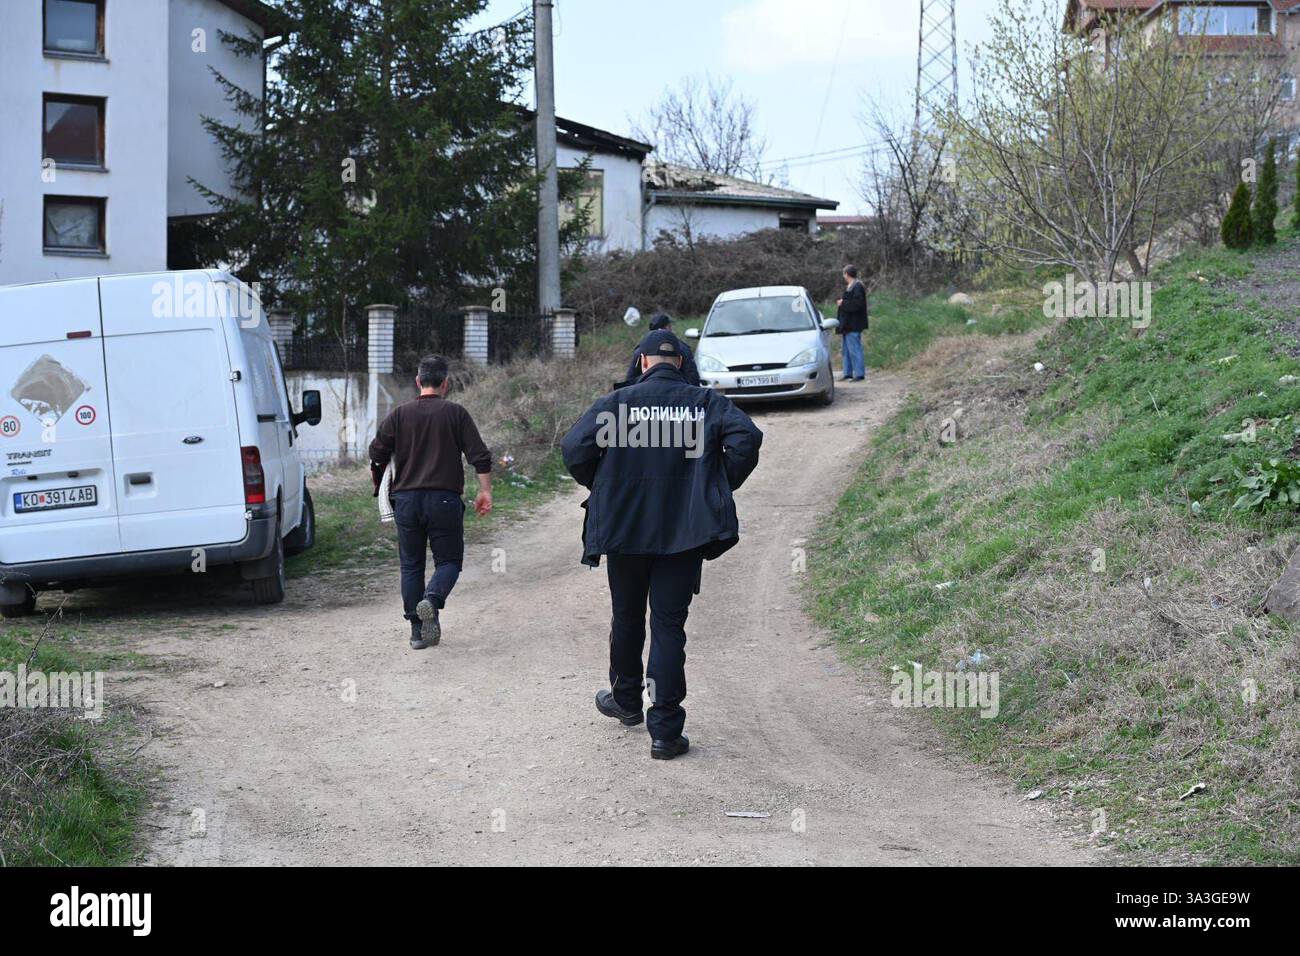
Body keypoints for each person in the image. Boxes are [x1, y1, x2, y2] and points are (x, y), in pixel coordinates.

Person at [561, 329, 762, 759]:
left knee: (627, 617)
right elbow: (747, 439)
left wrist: (605, 483)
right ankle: (665, 732)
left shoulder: (615, 405)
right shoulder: (705, 404)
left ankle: (628, 701)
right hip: (683, 535)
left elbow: (574, 449)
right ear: (681, 365)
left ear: (643, 363)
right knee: (668, 626)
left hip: (625, 534)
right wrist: (716, 486)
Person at [368, 355, 492, 650]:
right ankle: (432, 600)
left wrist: (381, 484)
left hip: (407, 501)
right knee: (449, 561)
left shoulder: (399, 415)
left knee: (411, 565)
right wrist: (485, 491)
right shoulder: (456, 414)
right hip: (444, 500)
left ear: (417, 382)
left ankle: (416, 631)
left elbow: (376, 453)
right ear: (446, 383)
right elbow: (480, 456)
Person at [624, 313, 700, 387]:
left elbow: (630, 379)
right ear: (668, 327)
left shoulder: (641, 349)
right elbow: (693, 379)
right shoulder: (682, 348)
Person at [835, 265, 868, 381]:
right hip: (846, 325)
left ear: (847, 274)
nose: (843, 276)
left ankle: (859, 374)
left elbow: (857, 305)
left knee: (855, 349)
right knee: (846, 350)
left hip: (854, 324)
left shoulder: (858, 286)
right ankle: (847, 373)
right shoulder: (850, 286)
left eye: (844, 274)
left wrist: (843, 303)